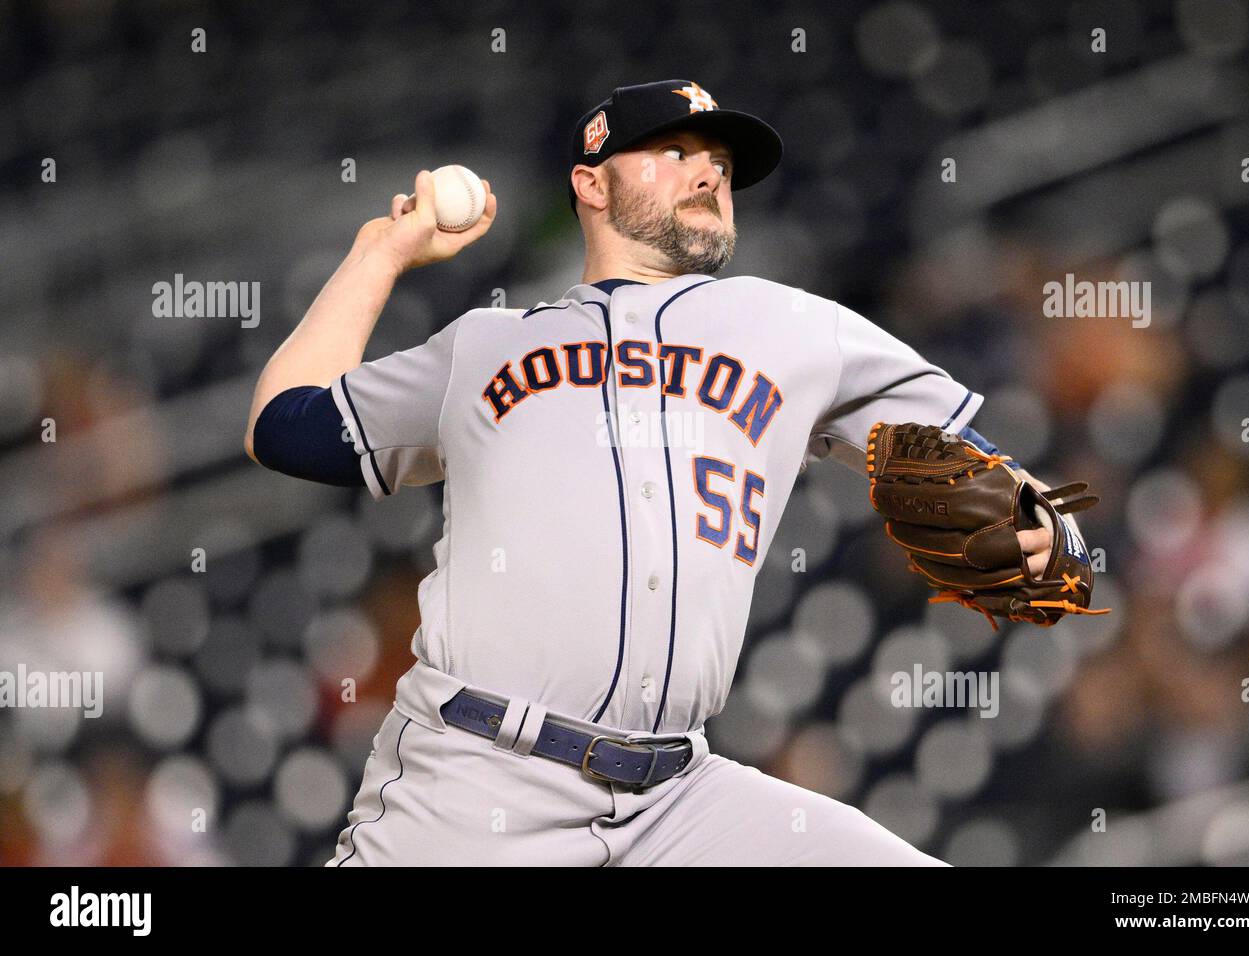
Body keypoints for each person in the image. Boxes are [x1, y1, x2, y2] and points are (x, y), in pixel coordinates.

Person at [244, 79, 1054, 865]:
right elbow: (283, 425)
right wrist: (380, 255)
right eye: (674, 152)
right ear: (591, 184)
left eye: (721, 165)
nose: (709, 174)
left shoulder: (797, 329)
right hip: (477, 780)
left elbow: (986, 471)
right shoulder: (485, 346)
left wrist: (1041, 524)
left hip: (677, 801)